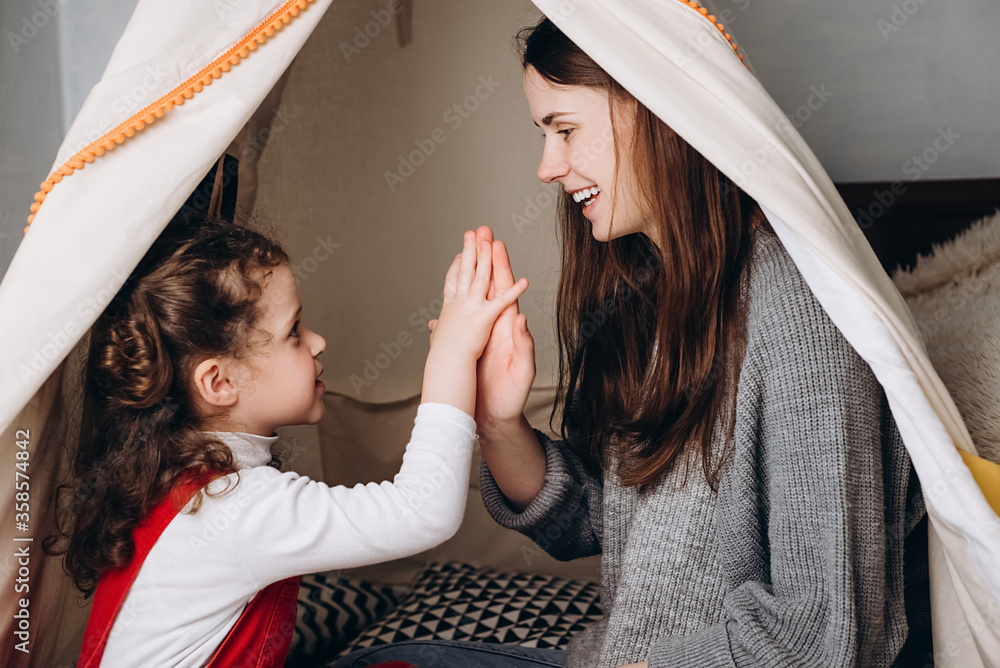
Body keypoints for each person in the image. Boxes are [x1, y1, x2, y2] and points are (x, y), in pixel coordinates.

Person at [332, 16, 931, 668]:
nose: (546, 167)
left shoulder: (800, 314)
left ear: (659, 110)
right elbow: (618, 527)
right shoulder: (655, 286)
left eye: (565, 130)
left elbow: (826, 635)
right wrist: (498, 420)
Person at [44, 213, 527, 667]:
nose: (317, 342)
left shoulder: (170, 477)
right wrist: (451, 358)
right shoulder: (231, 507)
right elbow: (423, 513)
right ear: (219, 383)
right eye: (294, 331)